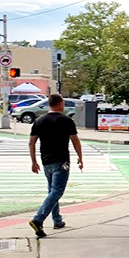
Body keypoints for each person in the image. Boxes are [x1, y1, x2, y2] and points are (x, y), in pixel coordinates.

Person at [28, 94, 83, 238]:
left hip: (46, 161)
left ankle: (57, 219)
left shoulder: (39, 121)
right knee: (57, 191)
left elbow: (32, 142)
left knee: (52, 191)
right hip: (61, 161)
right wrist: (80, 157)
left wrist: (34, 162)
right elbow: (75, 140)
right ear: (60, 104)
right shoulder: (67, 121)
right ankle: (38, 219)